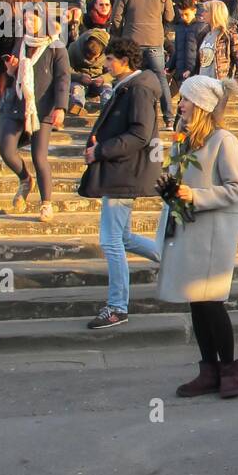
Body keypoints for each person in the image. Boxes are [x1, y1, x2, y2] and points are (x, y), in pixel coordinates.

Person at [156, 75, 238, 400]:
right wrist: (171, 192)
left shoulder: (224, 140)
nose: (180, 104)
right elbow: (181, 182)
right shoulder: (183, 142)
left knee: (212, 304)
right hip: (188, 230)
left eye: (185, 100)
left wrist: (195, 195)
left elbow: (236, 189)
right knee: (196, 303)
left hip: (212, 236)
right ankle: (207, 369)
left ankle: (229, 369)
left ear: (201, 106)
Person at [78, 39, 163, 329]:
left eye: (110, 59)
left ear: (125, 61)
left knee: (110, 240)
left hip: (124, 172)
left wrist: (101, 150)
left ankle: (117, 307)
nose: (105, 64)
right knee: (123, 237)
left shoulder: (138, 88)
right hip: (121, 171)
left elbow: (139, 134)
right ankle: (177, 261)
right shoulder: (131, 86)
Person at [0, 0, 71, 222]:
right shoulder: (22, 42)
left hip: (43, 107)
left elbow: (63, 77)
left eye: (33, 19)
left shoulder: (55, 45)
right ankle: (24, 178)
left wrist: (61, 107)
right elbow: (15, 75)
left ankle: (46, 203)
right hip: (18, 103)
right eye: (26, 19)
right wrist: (11, 71)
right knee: (6, 150)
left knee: (40, 157)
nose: (28, 23)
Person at [111, 0, 175, 126]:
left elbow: (116, 17)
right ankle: (168, 118)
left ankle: (124, 116)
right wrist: (162, 32)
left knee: (128, 78)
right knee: (160, 78)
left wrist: (119, 37)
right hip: (155, 41)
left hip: (131, 41)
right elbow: (170, 16)